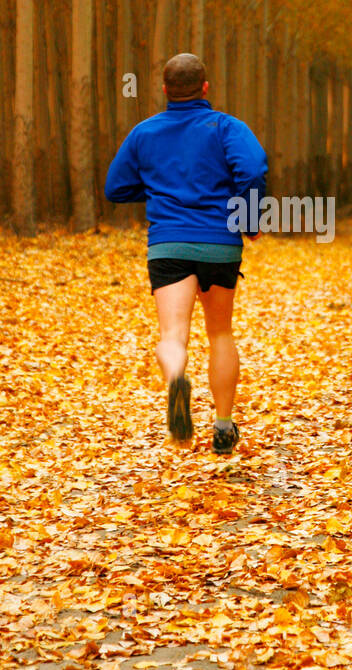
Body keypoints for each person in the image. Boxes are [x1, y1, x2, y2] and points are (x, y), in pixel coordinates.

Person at [104, 53, 267, 452]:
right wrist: (248, 218)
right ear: (205, 87)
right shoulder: (226, 127)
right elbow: (254, 168)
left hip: (168, 243)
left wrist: (161, 190)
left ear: (164, 89)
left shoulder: (144, 133)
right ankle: (224, 424)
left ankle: (177, 377)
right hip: (219, 242)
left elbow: (115, 187)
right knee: (220, 333)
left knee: (173, 334)